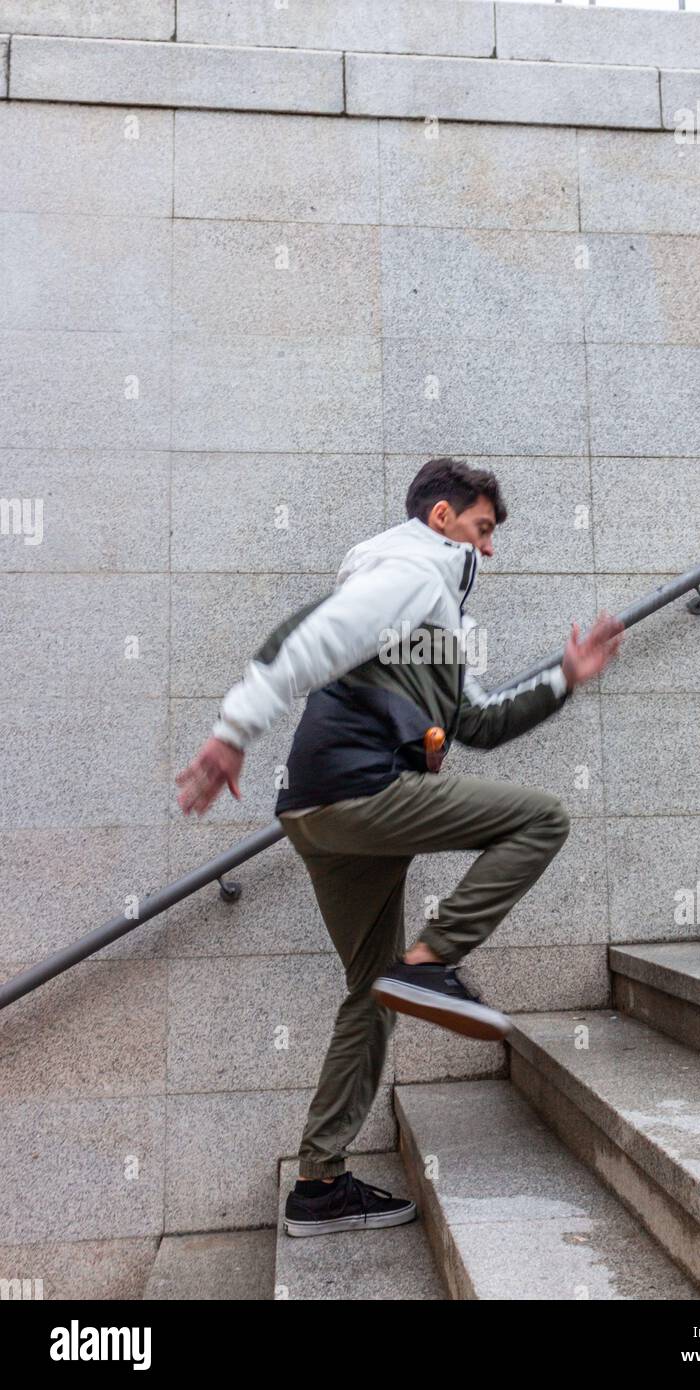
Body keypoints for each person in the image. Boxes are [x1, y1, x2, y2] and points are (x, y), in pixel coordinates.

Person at [176, 457, 624, 1237]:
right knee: (541, 819)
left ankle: (320, 1185)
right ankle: (431, 964)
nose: (489, 550)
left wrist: (565, 677)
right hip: (361, 793)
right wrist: (232, 730)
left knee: (370, 996)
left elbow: (476, 722)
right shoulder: (411, 568)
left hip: (321, 814)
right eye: (483, 530)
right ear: (444, 516)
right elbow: (311, 636)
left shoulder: (439, 616)